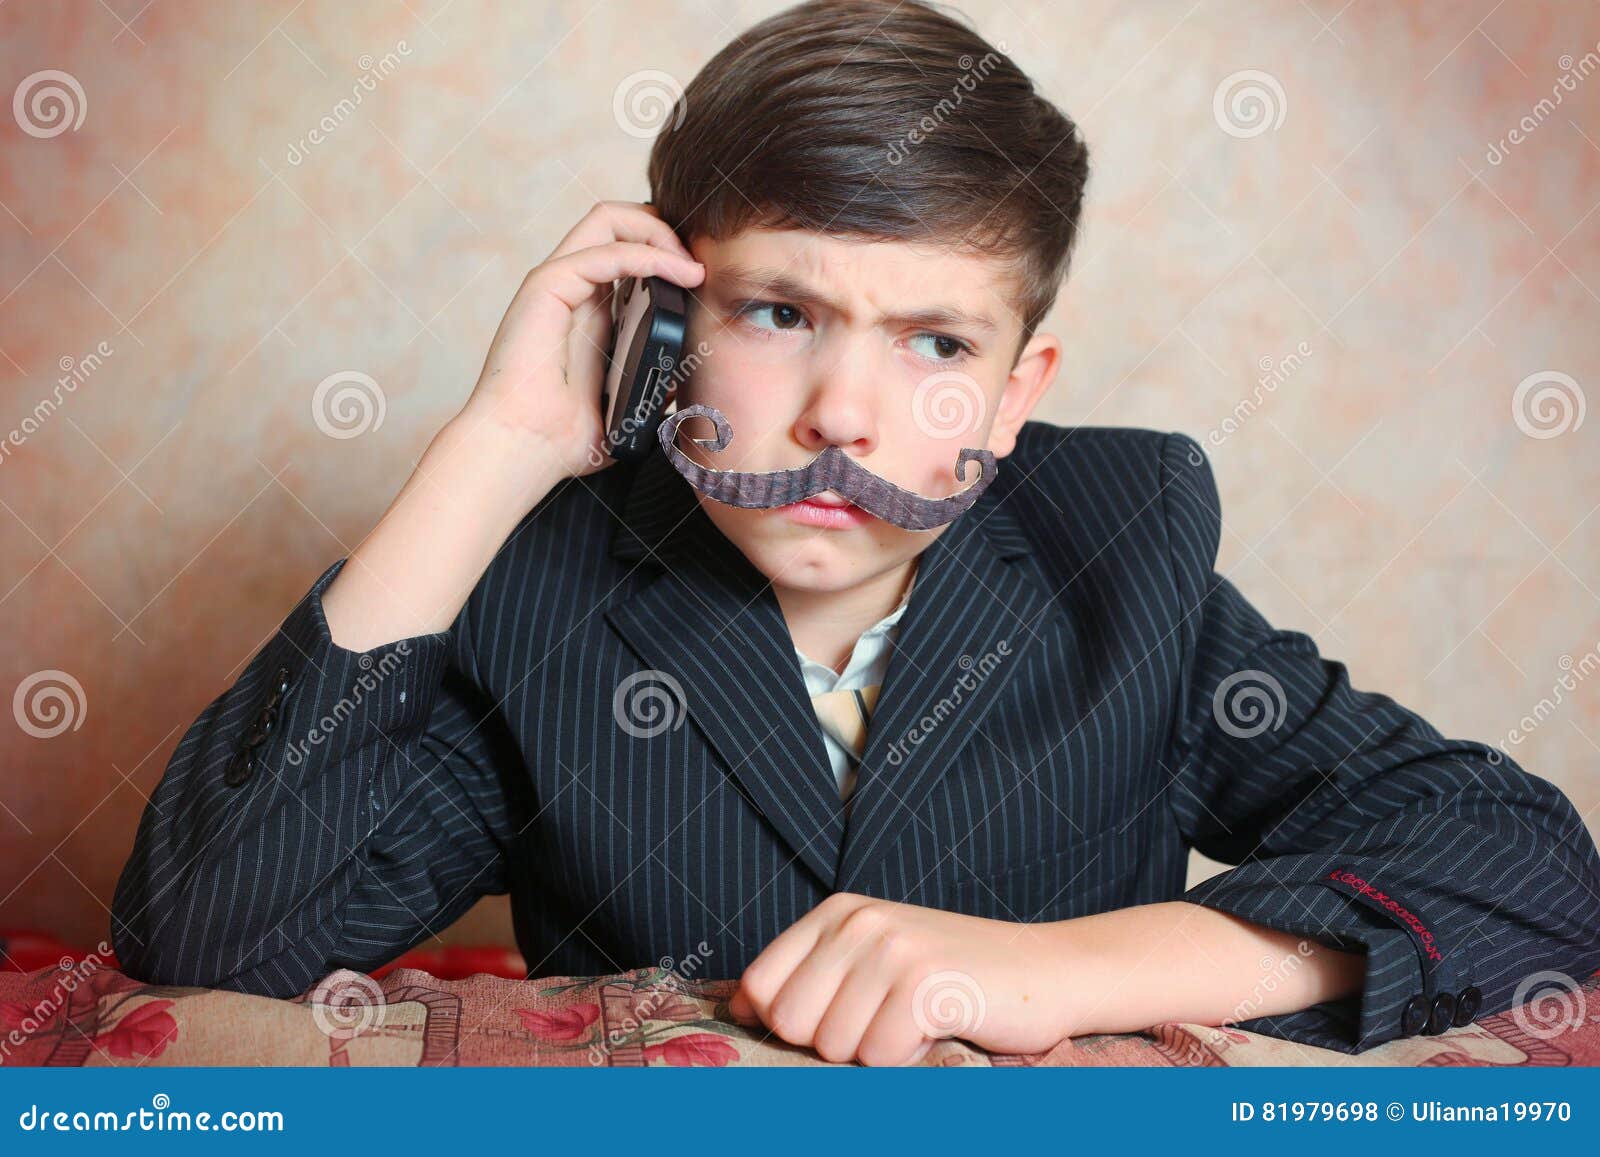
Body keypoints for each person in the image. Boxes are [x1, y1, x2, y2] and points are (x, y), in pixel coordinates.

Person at [112, 0, 1600, 1065]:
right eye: (780, 312)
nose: (844, 416)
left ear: (1019, 396)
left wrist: (1046, 970)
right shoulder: (546, 595)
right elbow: (209, 941)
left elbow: (1526, 861)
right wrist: (492, 455)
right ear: (664, 324)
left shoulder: (1117, 555)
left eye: (936, 346)